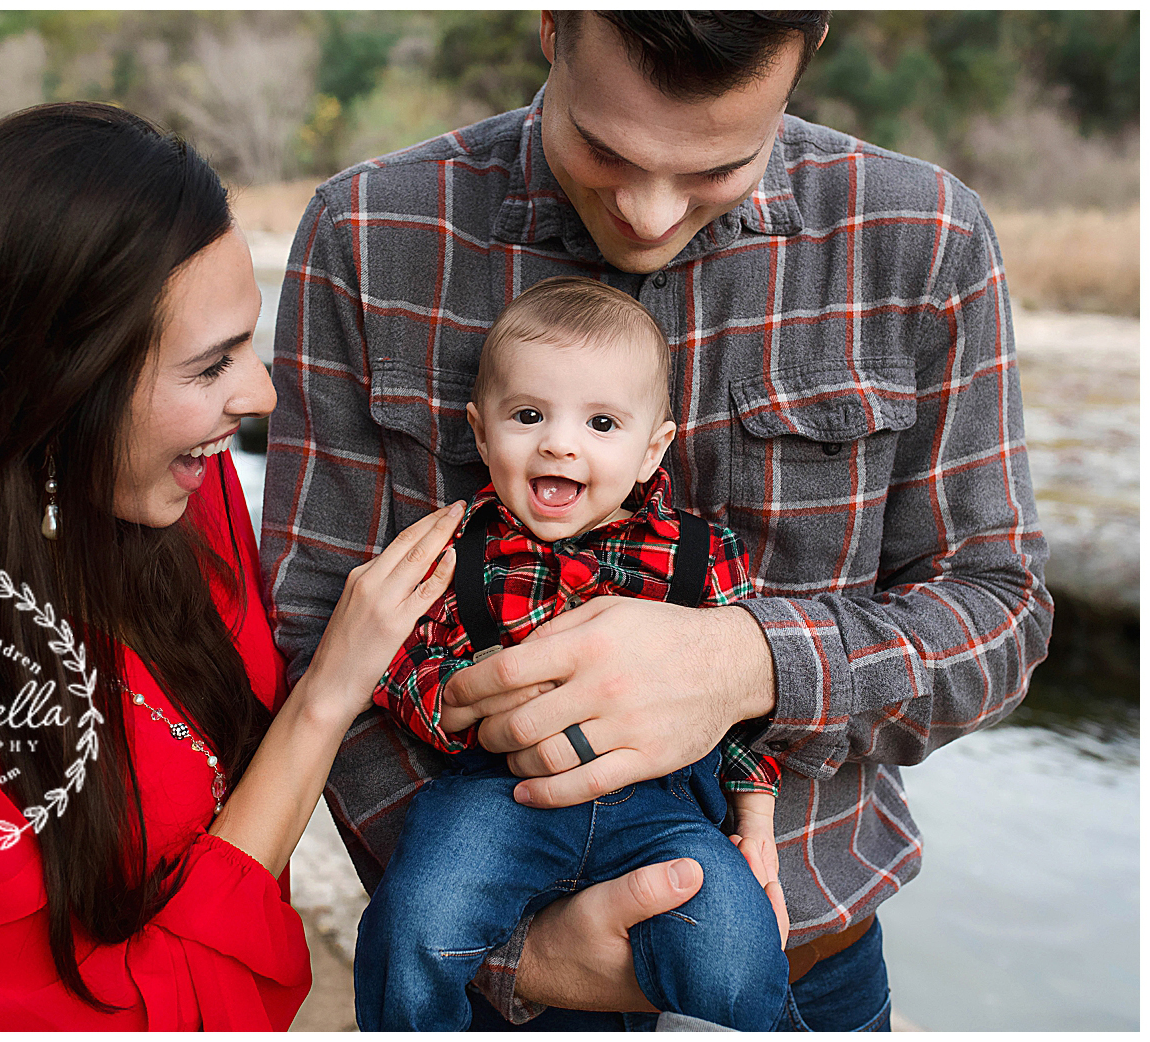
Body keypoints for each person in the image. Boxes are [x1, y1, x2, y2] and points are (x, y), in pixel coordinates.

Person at [260, 11, 1052, 1031]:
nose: (643, 211)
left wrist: (747, 660)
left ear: (806, 43)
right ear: (552, 24)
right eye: (604, 148)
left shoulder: (922, 240)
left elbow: (999, 613)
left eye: (714, 167)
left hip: (806, 964)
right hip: (480, 983)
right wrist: (513, 957)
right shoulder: (369, 234)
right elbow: (309, 626)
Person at [0, 101, 470, 1030]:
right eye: (210, 365)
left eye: (250, 342)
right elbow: (126, 1017)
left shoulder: (180, 492)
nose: (259, 392)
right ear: (48, 386)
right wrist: (324, 699)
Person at [354, 276, 789, 1031]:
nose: (559, 442)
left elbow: (745, 713)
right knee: (415, 921)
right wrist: (449, 698)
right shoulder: (454, 550)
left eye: (600, 423)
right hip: (501, 796)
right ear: (481, 433)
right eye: (528, 416)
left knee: (737, 948)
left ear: (653, 449)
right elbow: (395, 666)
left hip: (661, 808)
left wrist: (754, 818)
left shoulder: (700, 554)